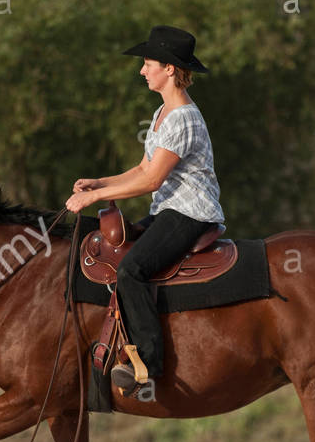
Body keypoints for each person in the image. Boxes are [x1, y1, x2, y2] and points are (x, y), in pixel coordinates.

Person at [64, 25, 225, 398]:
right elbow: (140, 169)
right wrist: (99, 184)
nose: (142, 70)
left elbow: (152, 180)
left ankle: (148, 366)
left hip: (189, 213)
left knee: (132, 271)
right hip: (169, 209)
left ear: (170, 69)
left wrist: (91, 200)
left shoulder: (184, 117)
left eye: (148, 63)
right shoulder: (162, 113)